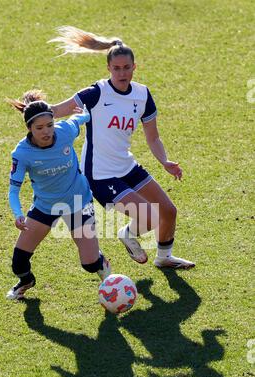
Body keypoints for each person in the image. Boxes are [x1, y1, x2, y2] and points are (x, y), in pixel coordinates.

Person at [48, 26, 195, 269]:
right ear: (108, 68)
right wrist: (34, 108)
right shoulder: (96, 93)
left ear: (134, 67)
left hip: (126, 166)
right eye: (116, 68)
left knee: (168, 210)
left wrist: (165, 162)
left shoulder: (142, 95)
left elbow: (153, 138)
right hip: (101, 174)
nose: (122, 73)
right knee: (149, 216)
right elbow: (58, 110)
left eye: (127, 67)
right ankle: (128, 233)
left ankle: (164, 257)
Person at [6, 89, 111, 300]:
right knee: (19, 262)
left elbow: (81, 118)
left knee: (90, 264)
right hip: (46, 205)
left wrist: (85, 112)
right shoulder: (22, 153)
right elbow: (13, 190)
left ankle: (101, 264)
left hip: (78, 200)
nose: (46, 132)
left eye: (49, 125)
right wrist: (18, 214)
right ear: (29, 129)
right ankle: (26, 282)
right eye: (39, 128)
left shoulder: (64, 131)